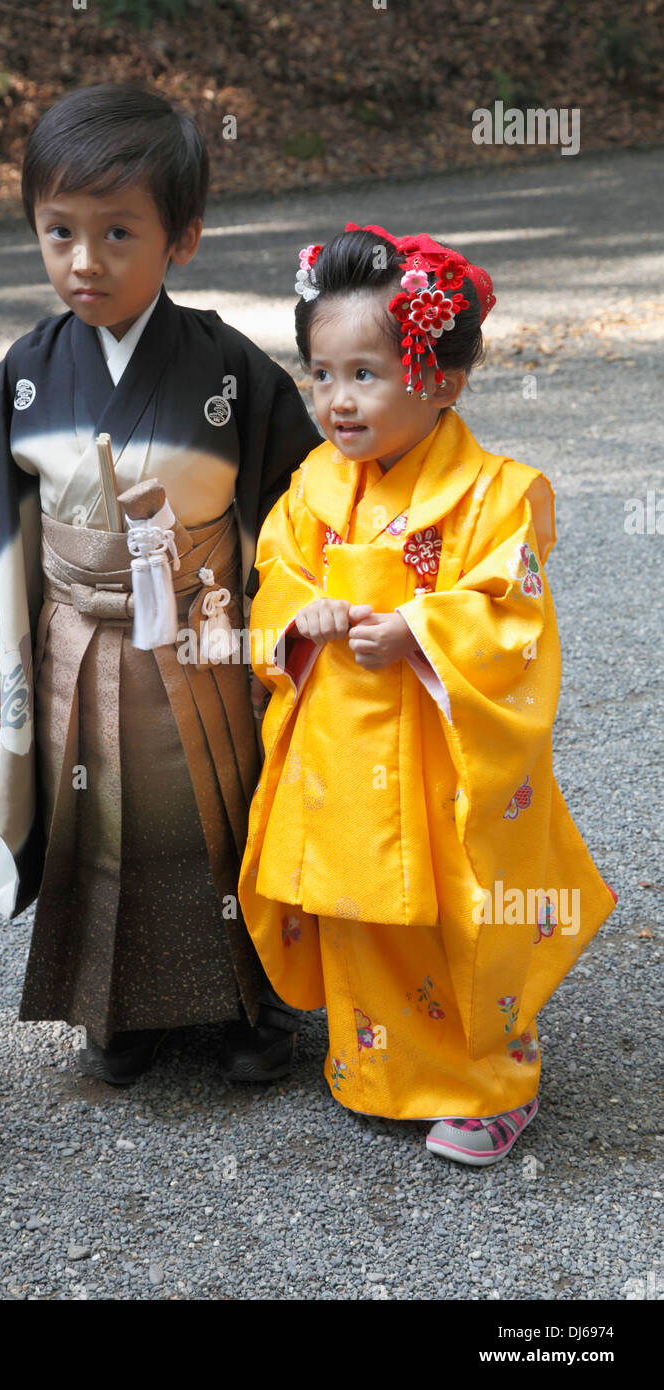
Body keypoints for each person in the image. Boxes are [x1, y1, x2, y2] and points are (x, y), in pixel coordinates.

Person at [0, 84, 321, 1085]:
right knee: (97, 821)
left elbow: (297, 500)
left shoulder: (228, 368)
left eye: (117, 232)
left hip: (200, 637)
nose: (83, 260)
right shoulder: (24, 371)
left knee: (217, 813)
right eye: (57, 231)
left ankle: (253, 1008)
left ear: (180, 238)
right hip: (78, 639)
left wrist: (290, 620)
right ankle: (118, 1009)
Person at [239, 224, 618, 1165]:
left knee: (461, 909)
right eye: (319, 374)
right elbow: (276, 577)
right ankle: (371, 1068)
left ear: (439, 378)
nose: (337, 400)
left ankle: (491, 1085)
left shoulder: (496, 494)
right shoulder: (312, 487)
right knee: (354, 905)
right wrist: (303, 619)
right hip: (342, 745)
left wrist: (421, 629)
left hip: (436, 748)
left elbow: (516, 616)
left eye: (364, 373)